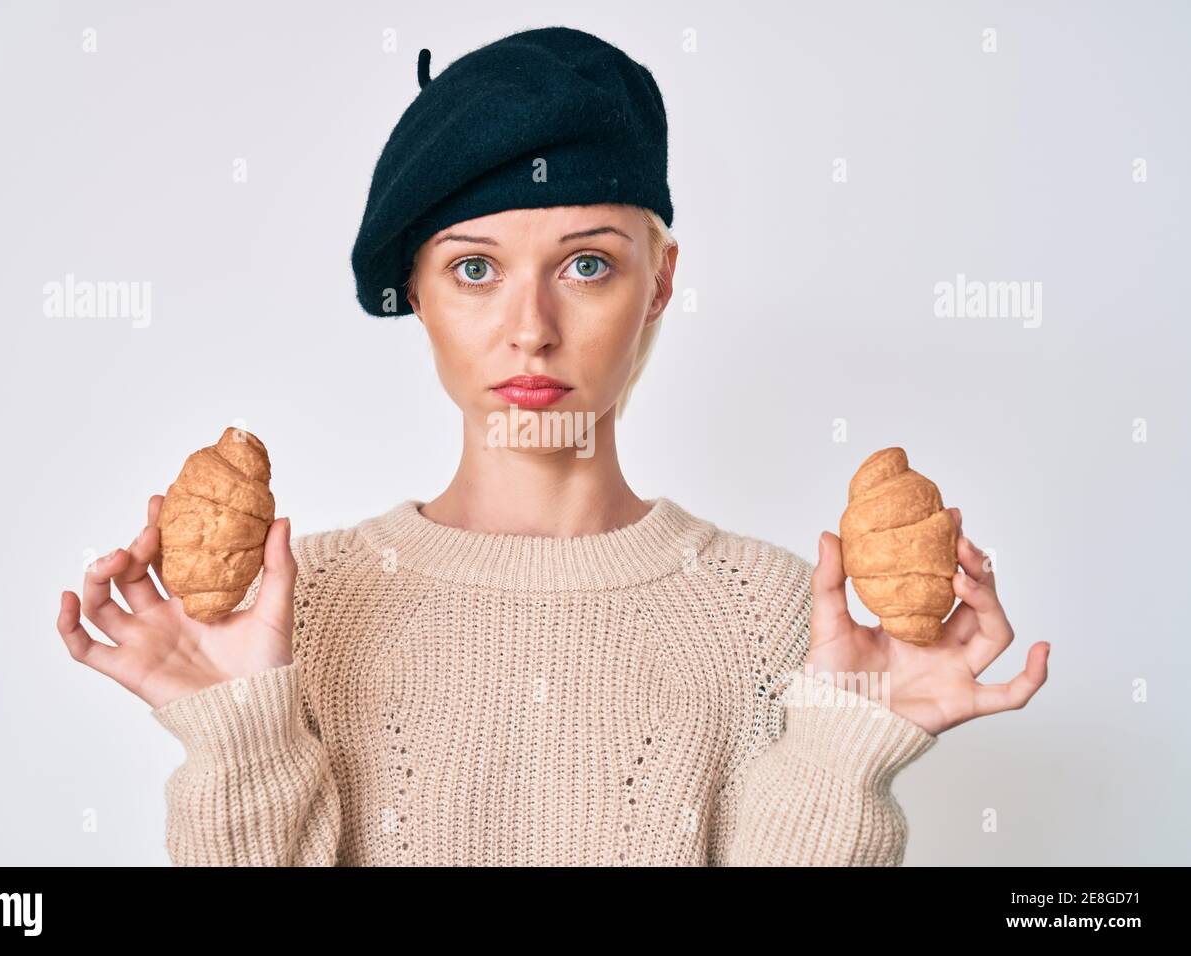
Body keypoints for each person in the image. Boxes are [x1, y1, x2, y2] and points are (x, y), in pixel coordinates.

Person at [55, 26, 1048, 866]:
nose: (529, 326)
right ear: (420, 293)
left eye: (585, 263)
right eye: (475, 266)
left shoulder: (790, 619)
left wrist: (847, 746)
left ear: (658, 280)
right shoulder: (289, 612)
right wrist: (237, 732)